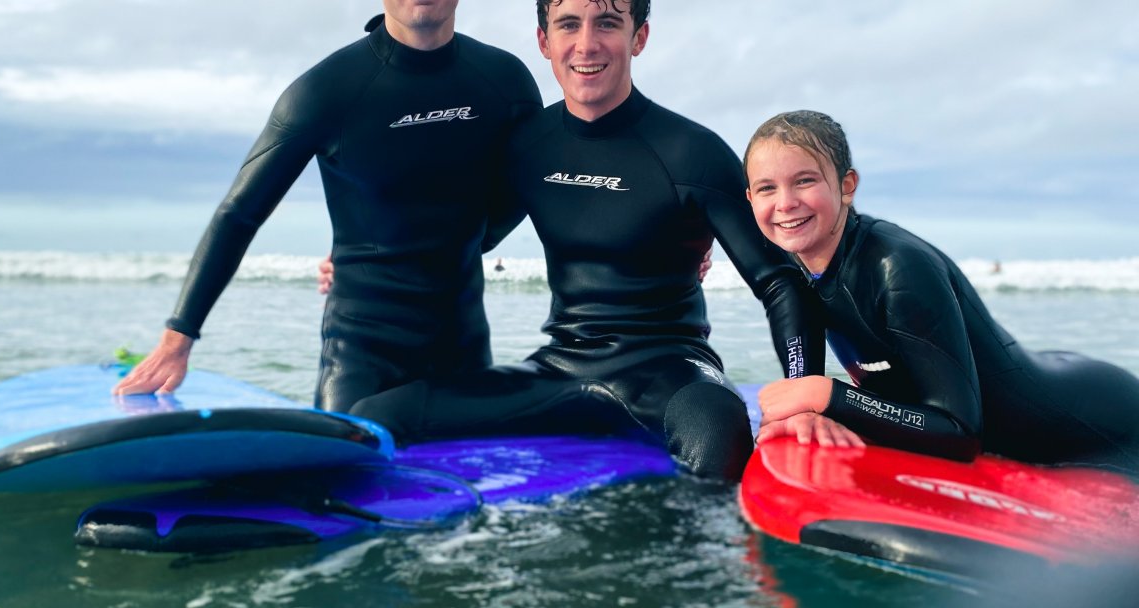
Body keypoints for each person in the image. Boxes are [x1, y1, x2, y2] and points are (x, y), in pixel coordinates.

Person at [350, 0, 839, 480]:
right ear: (545, 41)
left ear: (639, 37)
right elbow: (466, 239)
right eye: (568, 25)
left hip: (672, 371)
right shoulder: (529, 145)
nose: (586, 44)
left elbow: (779, 283)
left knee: (718, 434)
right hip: (561, 368)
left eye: (607, 22)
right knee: (381, 415)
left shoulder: (693, 154)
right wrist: (362, 258)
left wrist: (801, 394)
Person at [114, 1, 542, 413]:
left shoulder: (503, 81)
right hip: (361, 359)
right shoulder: (327, 89)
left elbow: (535, 187)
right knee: (344, 483)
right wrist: (178, 340)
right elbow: (239, 214)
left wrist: (461, 243)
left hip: (463, 354)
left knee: (471, 484)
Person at [747, 110, 1139, 475]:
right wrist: (812, 407)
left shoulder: (898, 268)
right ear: (750, 199)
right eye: (767, 188)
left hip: (1097, 427)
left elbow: (960, 433)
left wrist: (829, 396)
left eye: (805, 180)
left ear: (846, 186)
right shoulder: (793, 263)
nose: (785, 203)